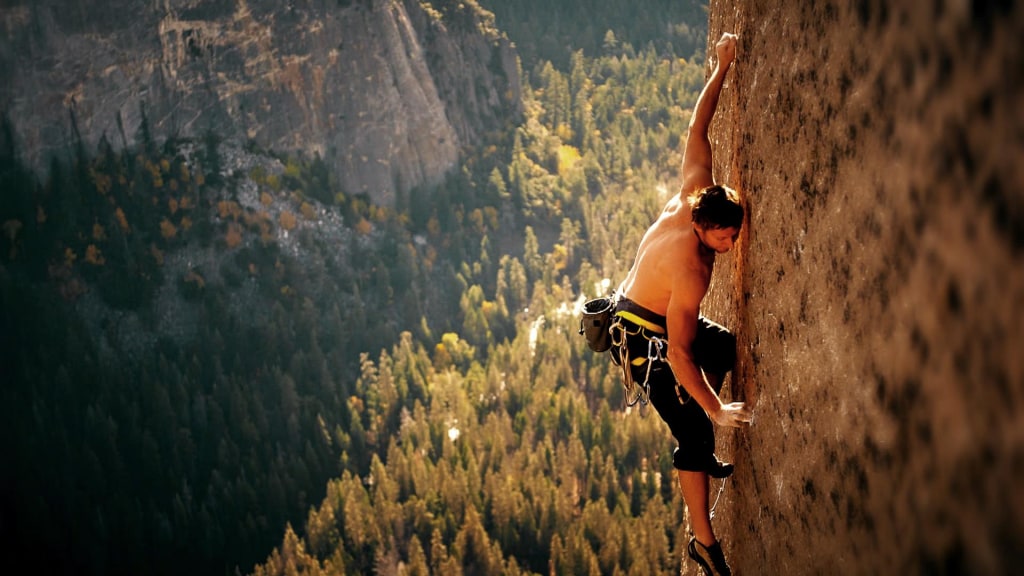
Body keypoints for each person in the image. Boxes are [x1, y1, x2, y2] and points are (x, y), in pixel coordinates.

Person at [611, 32, 751, 576]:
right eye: (723, 240)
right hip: (644, 341)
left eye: (733, 236)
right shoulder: (691, 270)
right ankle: (705, 544)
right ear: (702, 228)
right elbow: (678, 353)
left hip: (649, 317)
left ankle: (702, 428)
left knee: (729, 349)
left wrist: (722, 67)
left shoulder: (697, 189)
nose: (730, 245)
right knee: (696, 430)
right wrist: (715, 409)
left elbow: (698, 129)